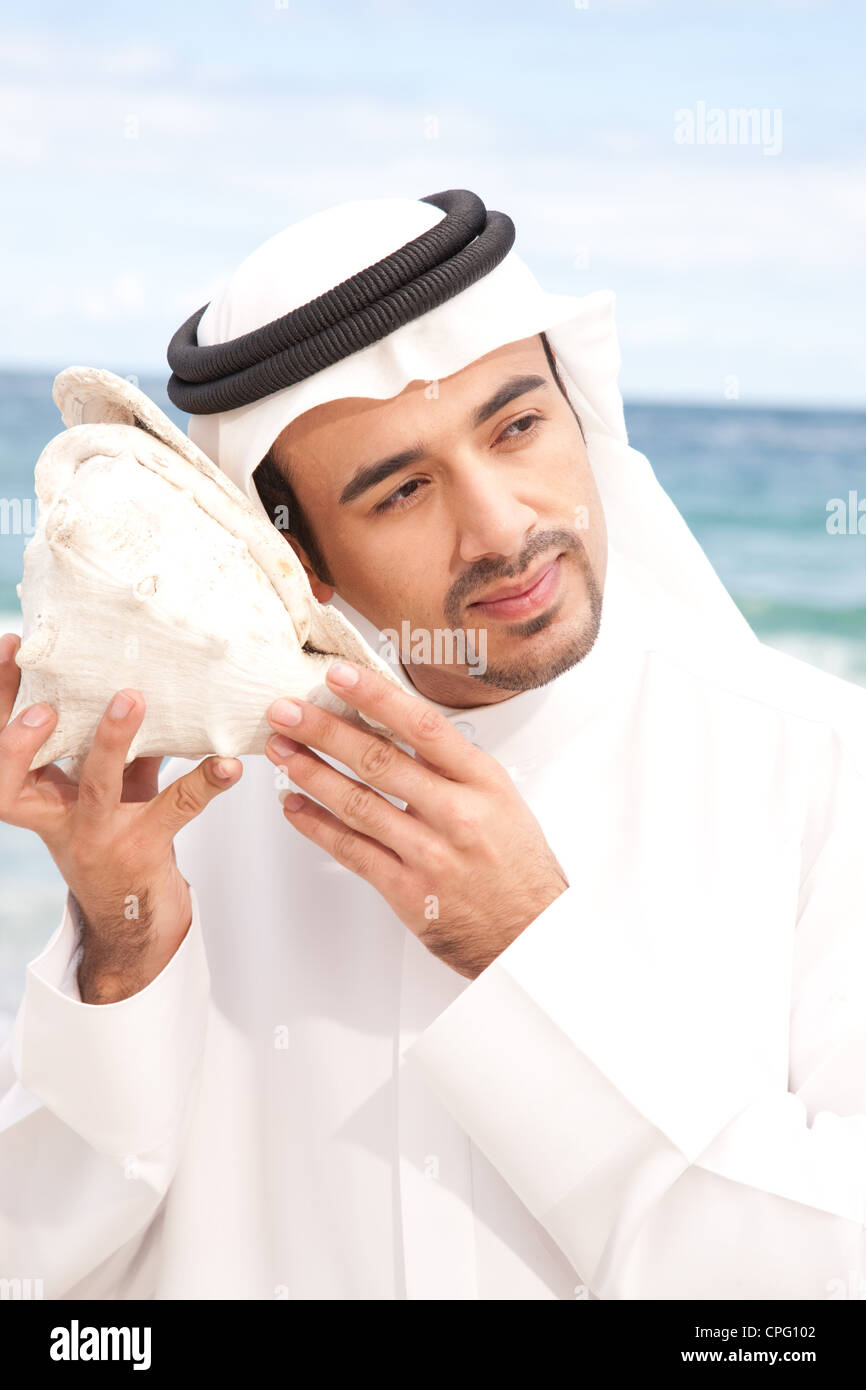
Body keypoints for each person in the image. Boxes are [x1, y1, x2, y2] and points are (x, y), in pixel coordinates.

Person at [1, 189, 865, 1300]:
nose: (504, 526)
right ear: (295, 560)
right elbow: (43, 1274)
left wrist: (526, 950)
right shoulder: (196, 812)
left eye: (517, 427)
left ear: (578, 408)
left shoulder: (819, 772)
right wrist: (122, 949)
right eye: (402, 490)